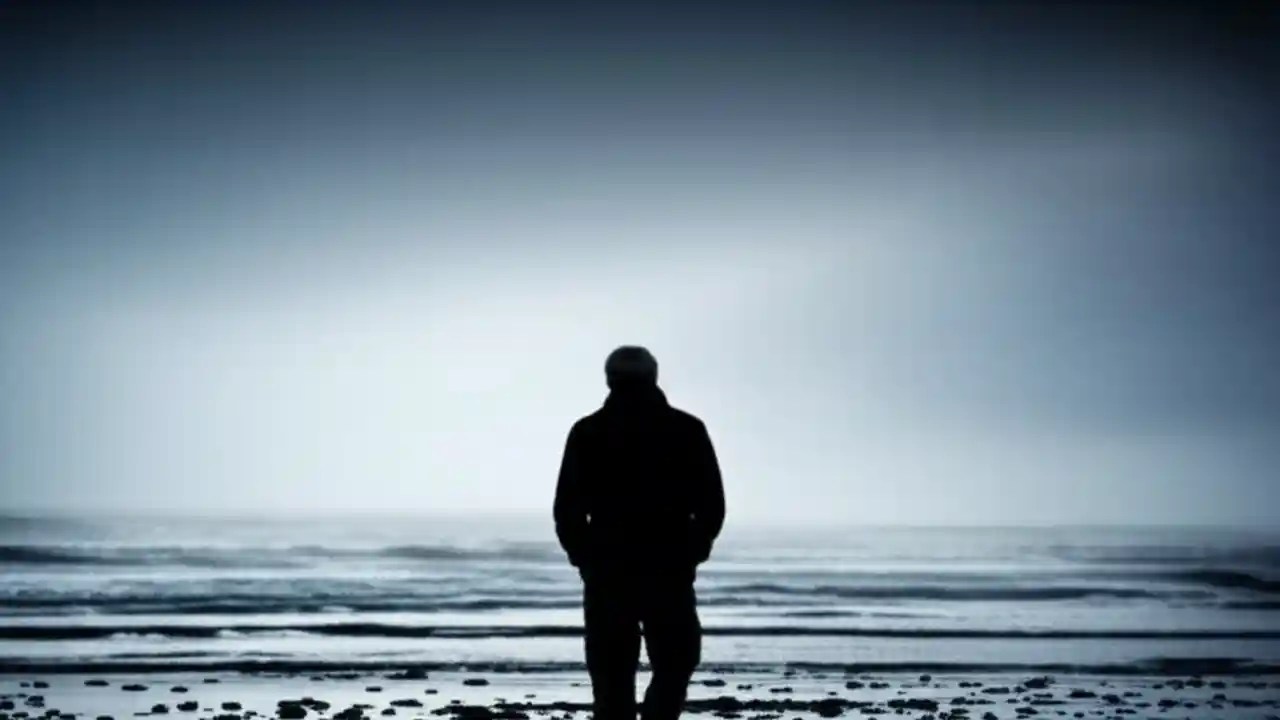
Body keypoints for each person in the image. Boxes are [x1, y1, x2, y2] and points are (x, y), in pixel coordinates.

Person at [553, 346, 726, 720]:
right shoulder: (685, 429)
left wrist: (585, 558)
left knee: (612, 676)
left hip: (611, 569)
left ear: (609, 379)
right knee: (674, 662)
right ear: (654, 376)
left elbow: (567, 510)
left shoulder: (589, 432)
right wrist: (691, 551)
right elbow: (712, 505)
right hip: (664, 567)